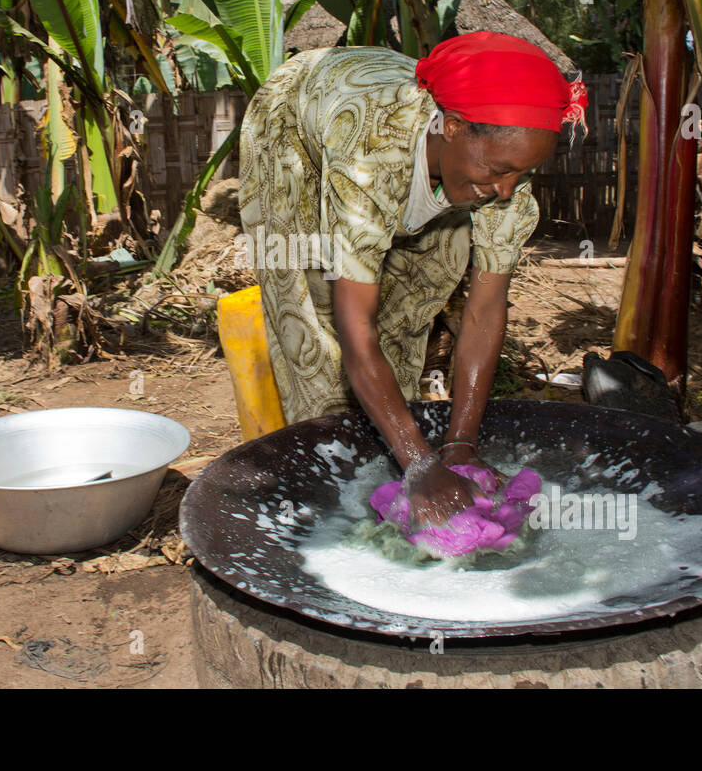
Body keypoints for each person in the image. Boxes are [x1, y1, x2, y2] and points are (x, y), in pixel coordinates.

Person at [238, 31, 587, 530]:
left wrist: (460, 448)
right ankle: (337, 492)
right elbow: (355, 326)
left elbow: (486, 310)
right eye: (498, 169)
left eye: (523, 173)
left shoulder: (508, 175)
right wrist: (421, 463)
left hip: (402, 153)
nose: (505, 189)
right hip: (294, 124)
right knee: (317, 334)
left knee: (422, 291)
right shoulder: (370, 156)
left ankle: (403, 461)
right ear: (453, 126)